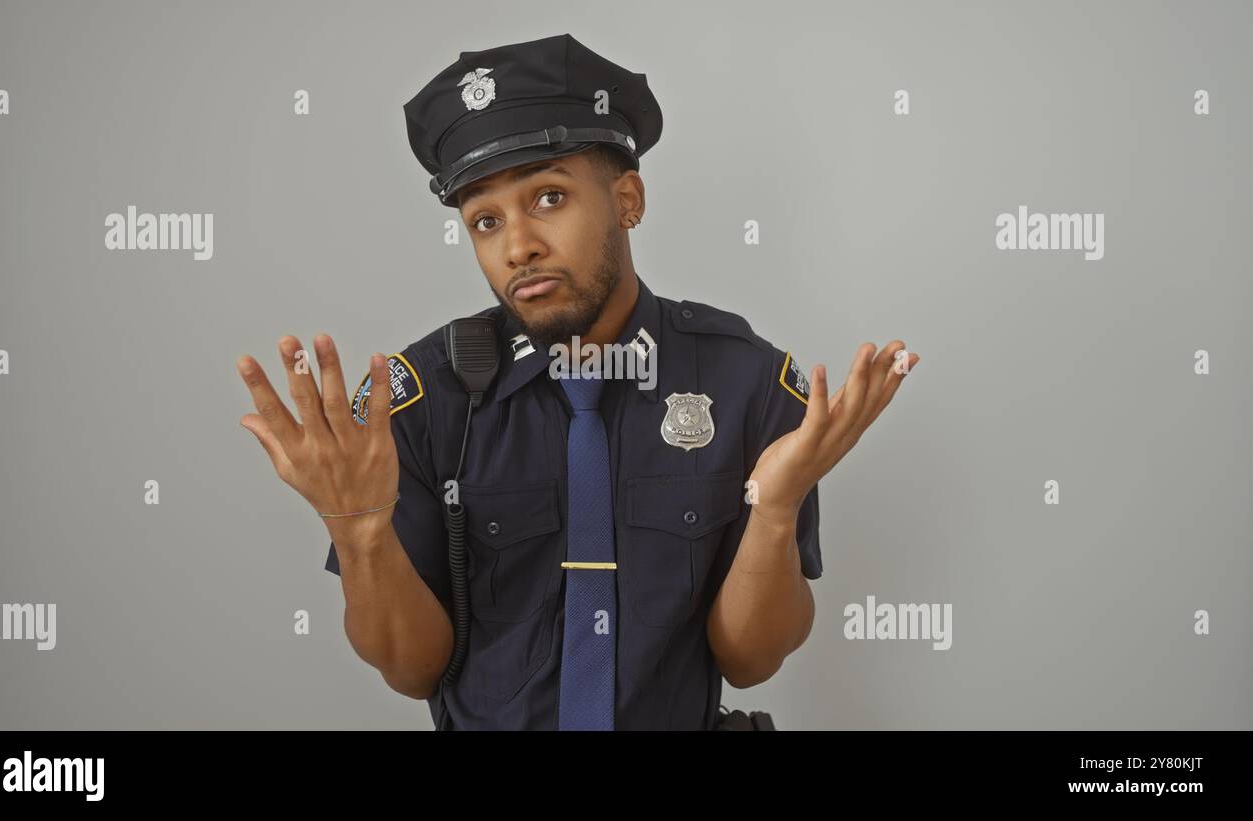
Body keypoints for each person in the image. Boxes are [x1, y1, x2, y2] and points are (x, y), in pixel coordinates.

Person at [234, 33, 920, 730]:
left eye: (551, 197)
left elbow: (750, 658)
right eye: (486, 220)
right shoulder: (421, 398)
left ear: (628, 199)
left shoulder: (745, 379)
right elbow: (413, 669)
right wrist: (360, 533)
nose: (516, 245)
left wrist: (774, 514)